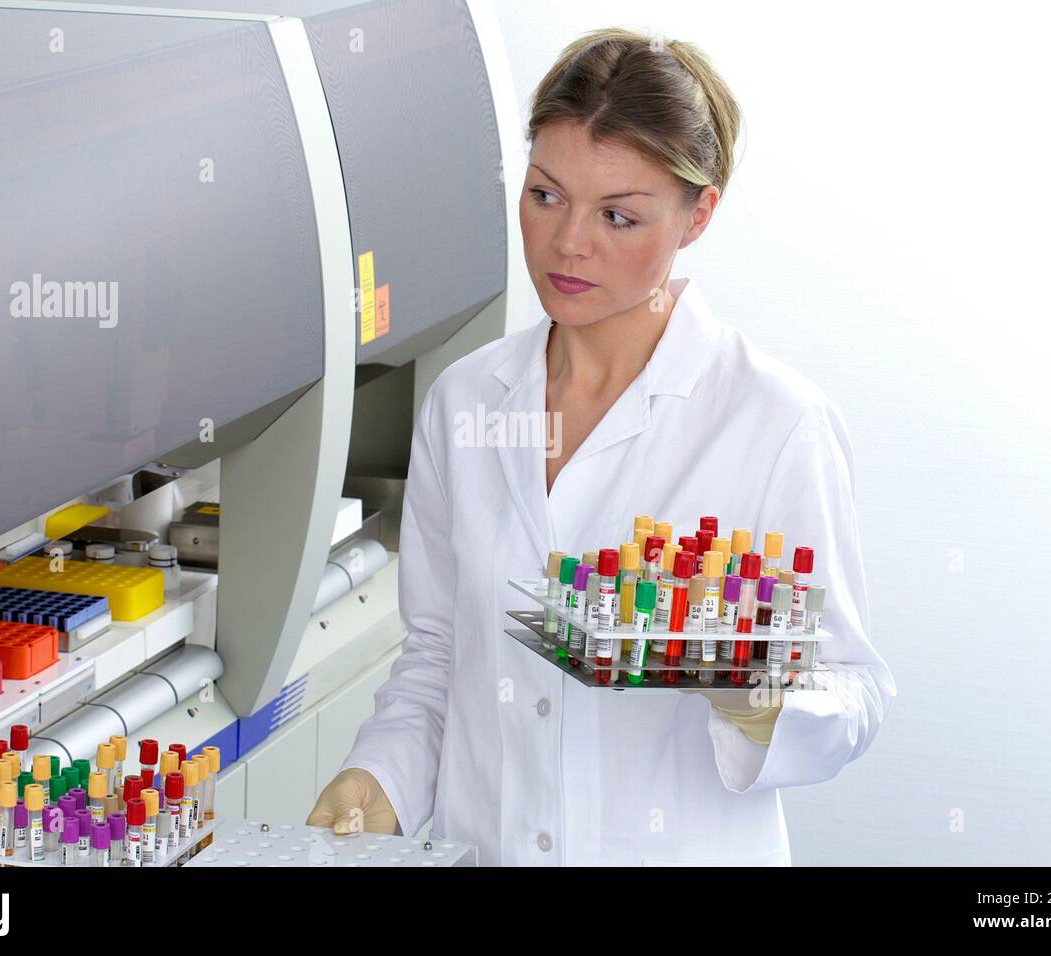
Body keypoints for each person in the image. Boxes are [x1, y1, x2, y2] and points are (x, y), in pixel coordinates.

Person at [308, 26, 895, 866]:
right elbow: (441, 655)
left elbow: (856, 689)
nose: (569, 242)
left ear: (699, 216)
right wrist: (379, 781)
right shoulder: (466, 402)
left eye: (619, 215)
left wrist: (746, 692)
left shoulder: (774, 424)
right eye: (546, 196)